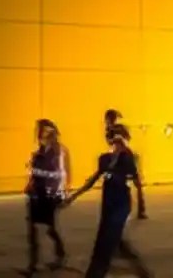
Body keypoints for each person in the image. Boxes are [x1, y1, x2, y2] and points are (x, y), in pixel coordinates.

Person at [65, 125, 151, 278]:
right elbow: (94, 178)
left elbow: (137, 182)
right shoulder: (104, 159)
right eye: (114, 140)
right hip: (108, 205)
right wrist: (74, 196)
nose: (117, 144)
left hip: (120, 206)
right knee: (108, 242)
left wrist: (141, 207)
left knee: (107, 244)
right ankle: (142, 272)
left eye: (120, 140)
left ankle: (95, 274)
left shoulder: (128, 158)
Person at [23, 119, 69, 276]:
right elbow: (35, 171)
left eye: (41, 130)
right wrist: (30, 183)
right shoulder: (40, 151)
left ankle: (61, 254)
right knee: (32, 229)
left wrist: (60, 193)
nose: (38, 134)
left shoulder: (58, 152)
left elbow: (60, 174)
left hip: (49, 195)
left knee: (50, 228)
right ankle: (33, 263)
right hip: (36, 194)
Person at [104, 109, 147, 219]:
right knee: (136, 183)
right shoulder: (117, 128)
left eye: (107, 119)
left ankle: (132, 209)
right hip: (126, 155)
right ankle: (141, 209)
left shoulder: (112, 129)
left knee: (121, 184)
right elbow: (127, 138)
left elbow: (111, 142)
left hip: (121, 157)